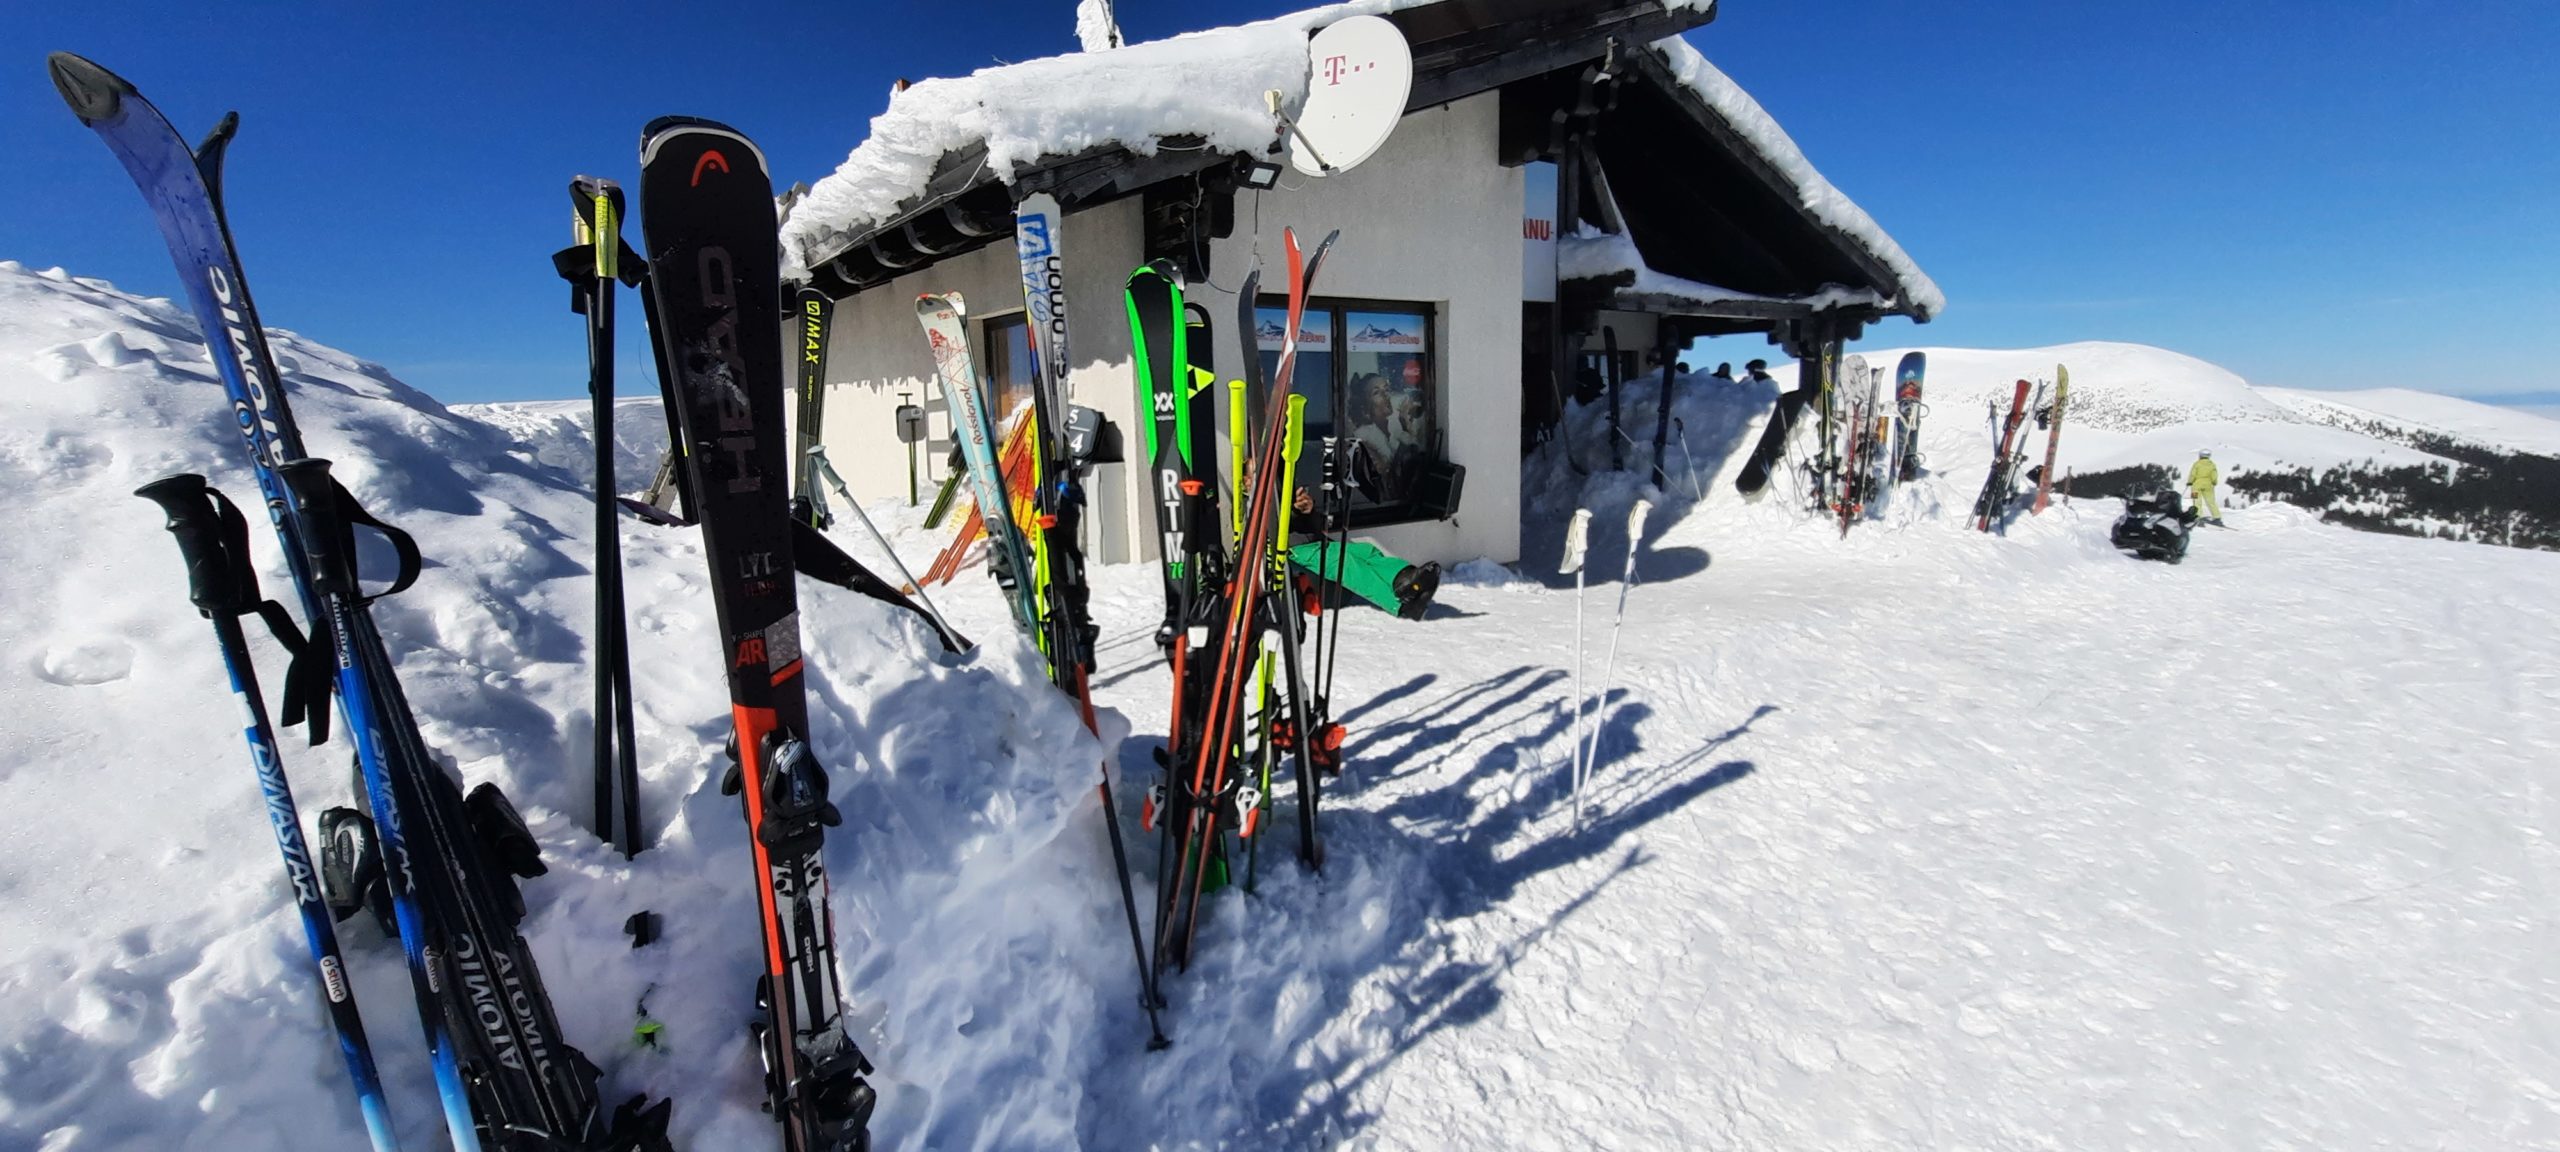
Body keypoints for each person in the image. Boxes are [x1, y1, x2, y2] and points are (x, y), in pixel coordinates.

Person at [2187, 449, 2222, 523]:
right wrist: (2214, 482)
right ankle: (2217, 517)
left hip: (2196, 485)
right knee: (2211, 501)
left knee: (2196, 500)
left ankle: (2198, 516)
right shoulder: (2212, 464)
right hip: (2208, 485)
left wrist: (2190, 482)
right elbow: (2214, 475)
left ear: (2200, 455)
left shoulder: (2196, 464)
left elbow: (2193, 474)